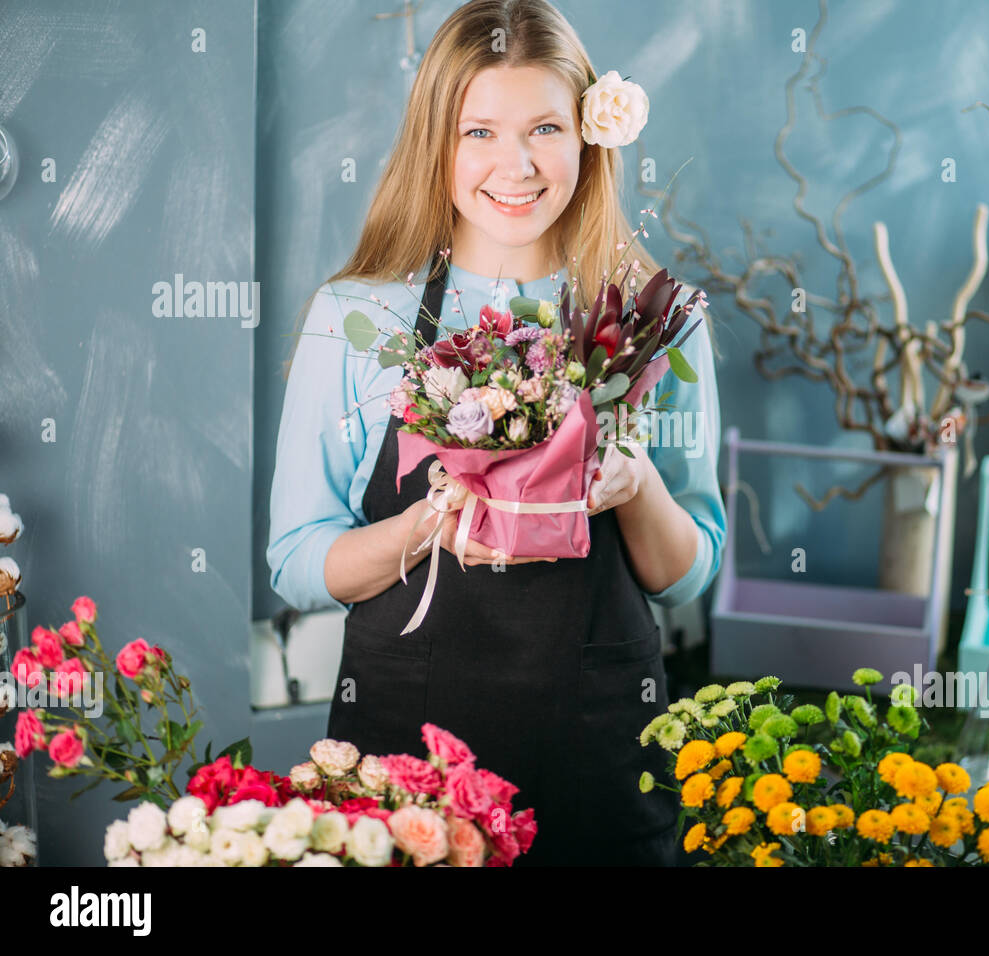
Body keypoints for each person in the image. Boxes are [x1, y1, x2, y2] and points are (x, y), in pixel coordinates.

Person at [266, 0, 725, 866]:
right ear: (435, 142)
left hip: (603, 757)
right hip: (410, 764)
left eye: (546, 126)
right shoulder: (355, 315)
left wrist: (636, 484)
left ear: (591, 138)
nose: (515, 165)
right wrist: (422, 529)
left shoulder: (654, 320)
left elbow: (687, 576)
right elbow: (297, 562)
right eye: (479, 131)